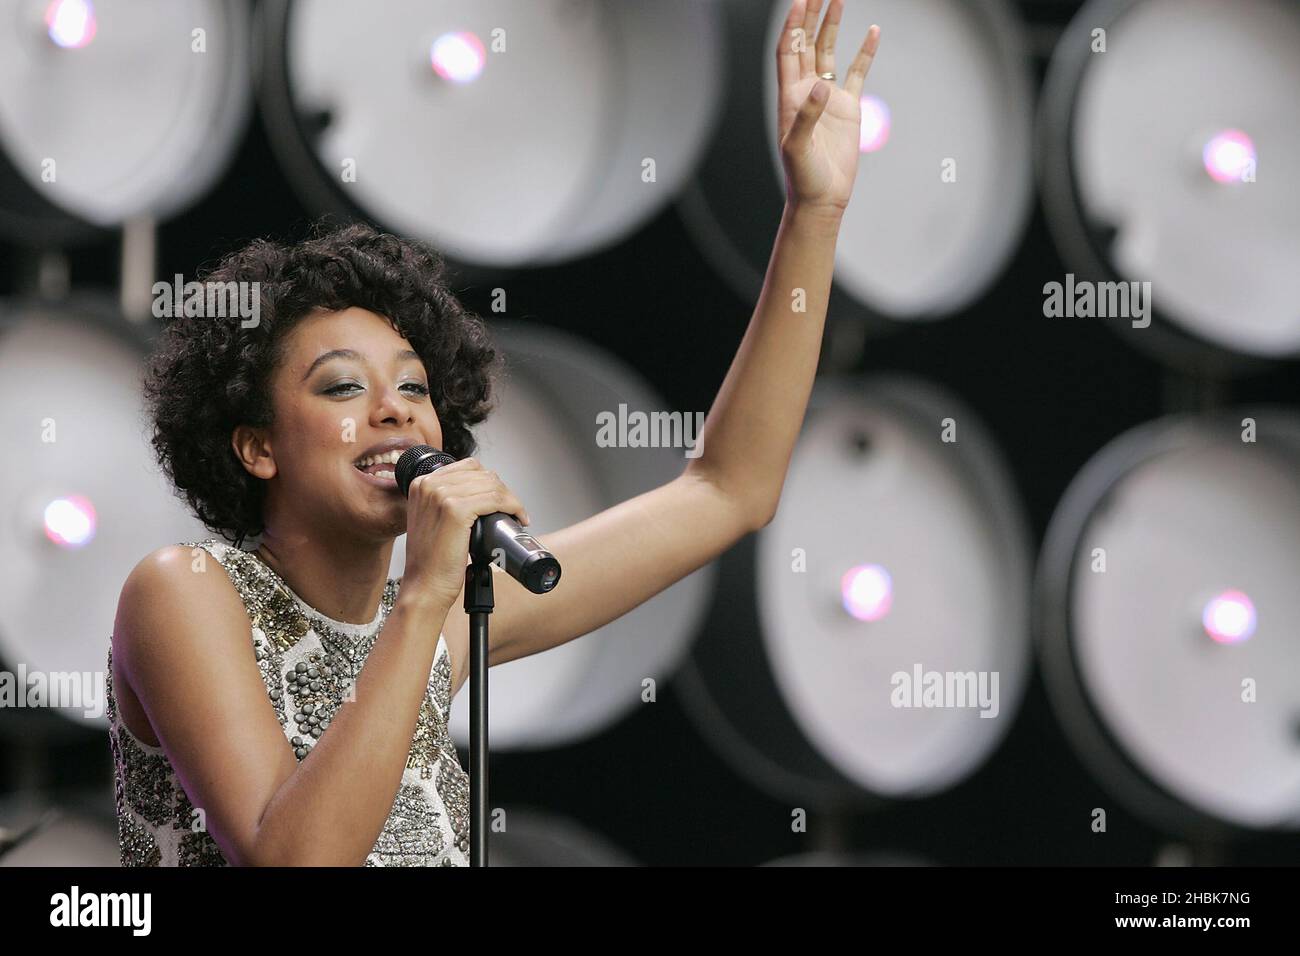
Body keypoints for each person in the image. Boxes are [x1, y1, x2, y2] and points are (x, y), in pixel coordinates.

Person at [106, 0, 881, 866]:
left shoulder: (431, 623)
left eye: (413, 386)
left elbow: (730, 489)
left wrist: (813, 212)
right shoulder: (185, 592)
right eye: (341, 388)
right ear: (255, 444)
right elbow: (293, 858)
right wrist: (425, 595)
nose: (396, 409)